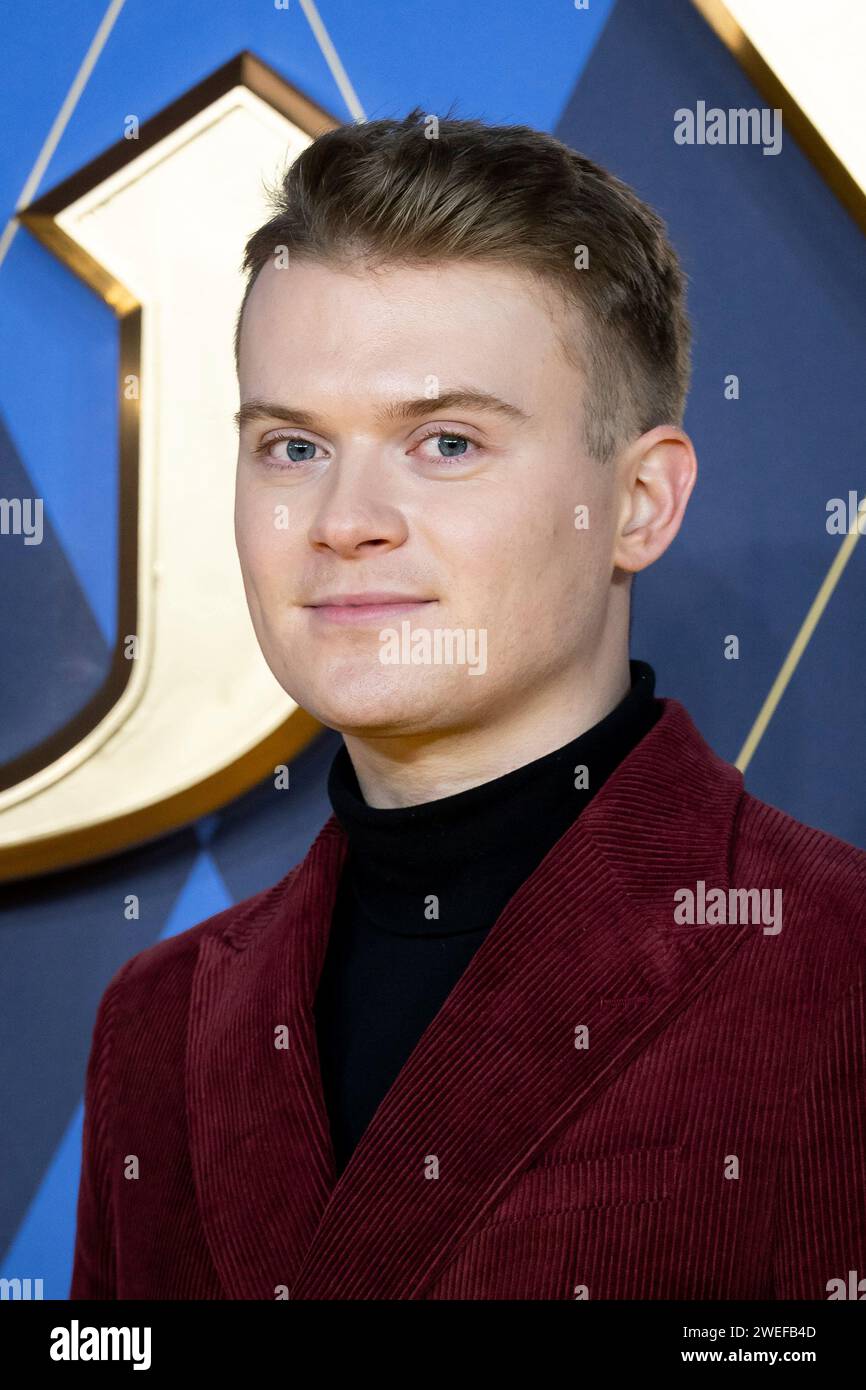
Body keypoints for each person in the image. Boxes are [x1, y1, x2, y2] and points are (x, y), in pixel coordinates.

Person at [71, 111, 865, 1301]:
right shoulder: (158, 1018)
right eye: (291, 447)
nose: (344, 519)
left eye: (443, 441)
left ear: (639, 503)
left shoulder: (836, 972)